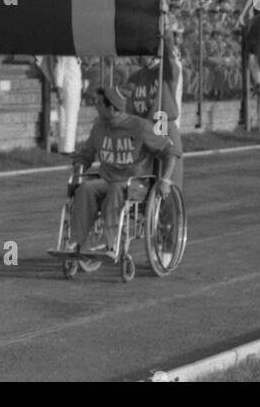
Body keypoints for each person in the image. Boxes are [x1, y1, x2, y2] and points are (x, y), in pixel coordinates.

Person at [70, 84, 180, 253]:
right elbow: (85, 155)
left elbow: (171, 151)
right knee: (85, 188)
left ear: (112, 108)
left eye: (99, 103)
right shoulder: (99, 128)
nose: (95, 106)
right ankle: (77, 242)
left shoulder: (141, 127)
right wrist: (78, 170)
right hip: (107, 180)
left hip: (137, 184)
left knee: (116, 189)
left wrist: (165, 180)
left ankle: (109, 242)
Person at [125, 29, 183, 185]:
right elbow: (129, 108)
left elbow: (170, 60)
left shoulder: (165, 72)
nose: (138, 56)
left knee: (170, 180)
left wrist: (166, 37)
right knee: (138, 179)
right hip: (144, 130)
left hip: (164, 125)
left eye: (142, 52)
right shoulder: (135, 77)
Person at [50, 55, 82, 153]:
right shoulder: (64, 55)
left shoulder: (75, 56)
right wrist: (59, 88)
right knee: (67, 118)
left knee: (70, 117)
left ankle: (65, 147)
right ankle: (67, 148)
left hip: (75, 88)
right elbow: (59, 70)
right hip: (68, 88)